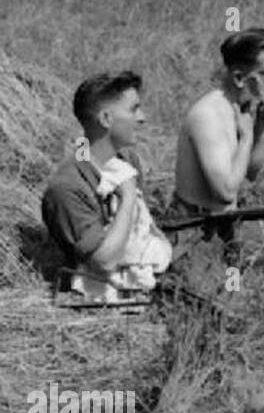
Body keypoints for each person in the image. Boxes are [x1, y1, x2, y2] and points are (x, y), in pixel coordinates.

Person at [41, 71, 169, 289]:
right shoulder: (67, 187)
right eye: (133, 109)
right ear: (106, 119)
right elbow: (104, 262)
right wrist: (128, 197)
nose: (142, 118)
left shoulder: (128, 160)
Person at [174, 28, 264, 216]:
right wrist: (247, 137)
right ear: (239, 78)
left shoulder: (240, 108)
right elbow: (225, 192)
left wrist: (263, 126)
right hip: (194, 230)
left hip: (222, 226)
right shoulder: (209, 115)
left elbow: (249, 173)